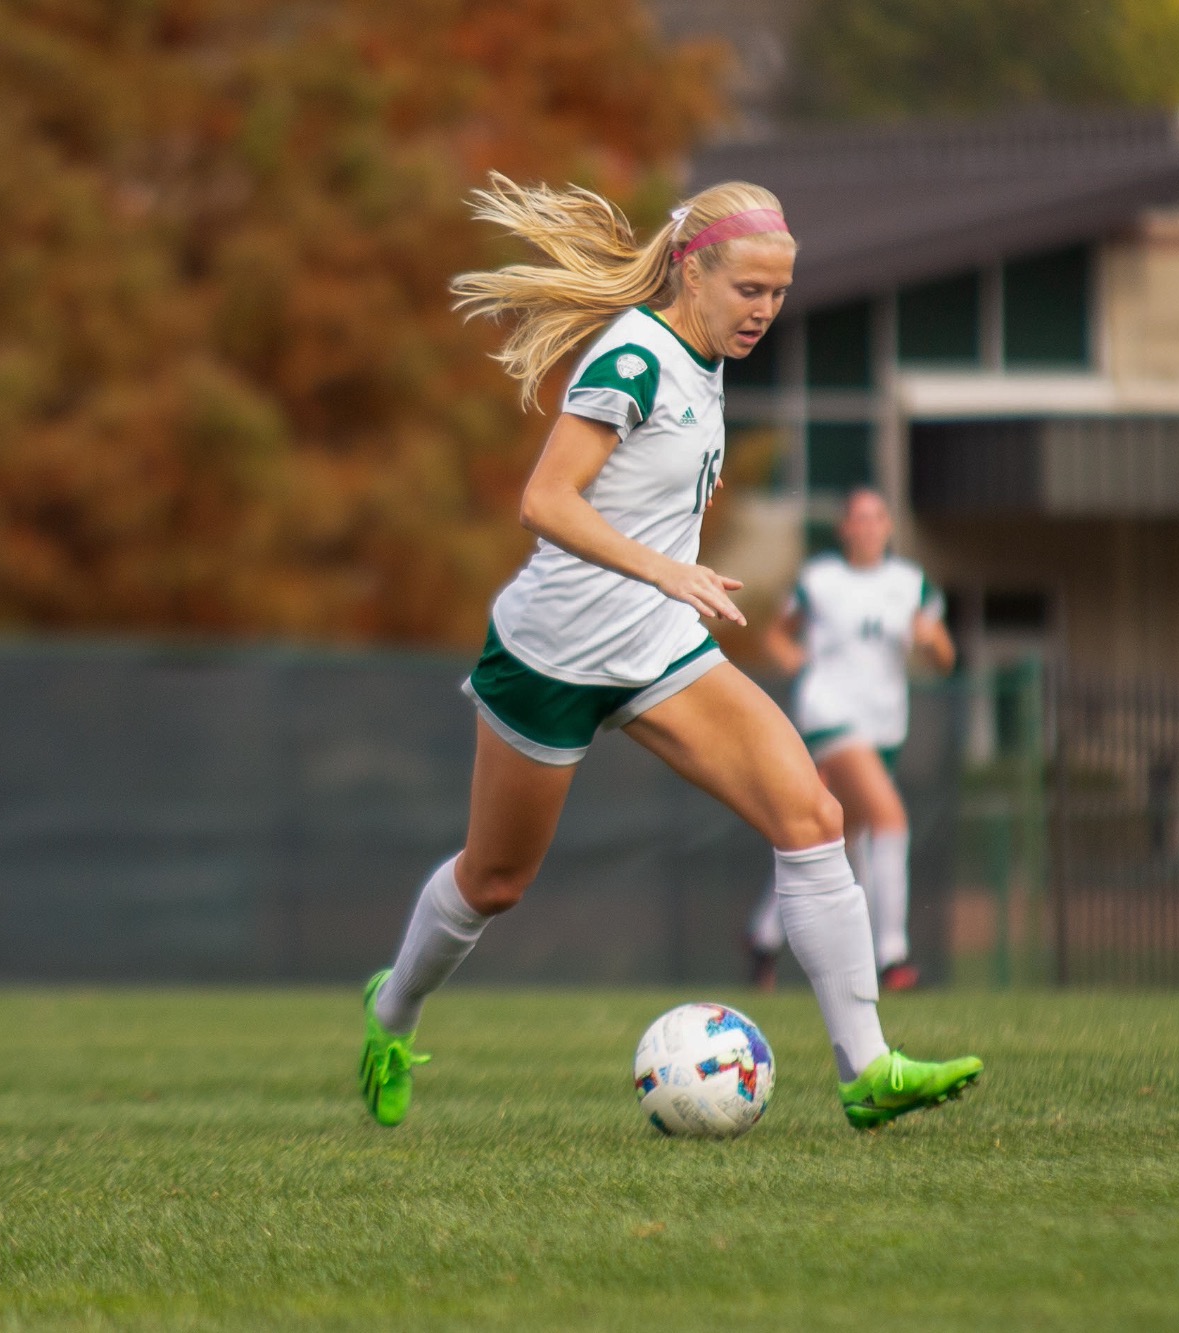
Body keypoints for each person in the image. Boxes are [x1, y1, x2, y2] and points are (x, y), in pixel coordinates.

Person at [355, 174, 982, 1131]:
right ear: (694, 270)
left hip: (657, 647)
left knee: (814, 812)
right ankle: (393, 1009)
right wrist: (664, 569)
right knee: (496, 880)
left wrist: (662, 587)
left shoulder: (705, 357)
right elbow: (545, 501)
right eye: (749, 292)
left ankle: (869, 1068)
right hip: (551, 657)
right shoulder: (636, 355)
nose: (765, 312)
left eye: (777, 294)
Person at [745, 488, 955, 992]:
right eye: (856, 518)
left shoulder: (911, 584)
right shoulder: (822, 580)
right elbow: (776, 633)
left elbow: (945, 657)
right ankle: (892, 955)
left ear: (887, 526)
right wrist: (793, 661)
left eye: (875, 517)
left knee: (831, 835)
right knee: (889, 818)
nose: (866, 526)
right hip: (830, 715)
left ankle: (763, 935)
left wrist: (932, 643)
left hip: (883, 725)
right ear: (845, 528)